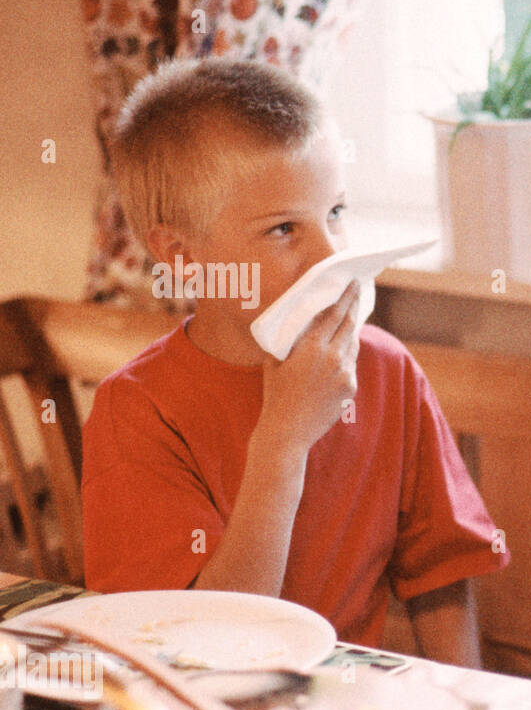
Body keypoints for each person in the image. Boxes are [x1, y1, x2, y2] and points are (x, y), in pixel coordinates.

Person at [82, 58, 508, 667]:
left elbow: (440, 573)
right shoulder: (137, 412)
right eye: (283, 229)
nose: (328, 254)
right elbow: (205, 648)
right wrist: (282, 440)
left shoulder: (385, 371)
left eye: (334, 212)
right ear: (182, 256)